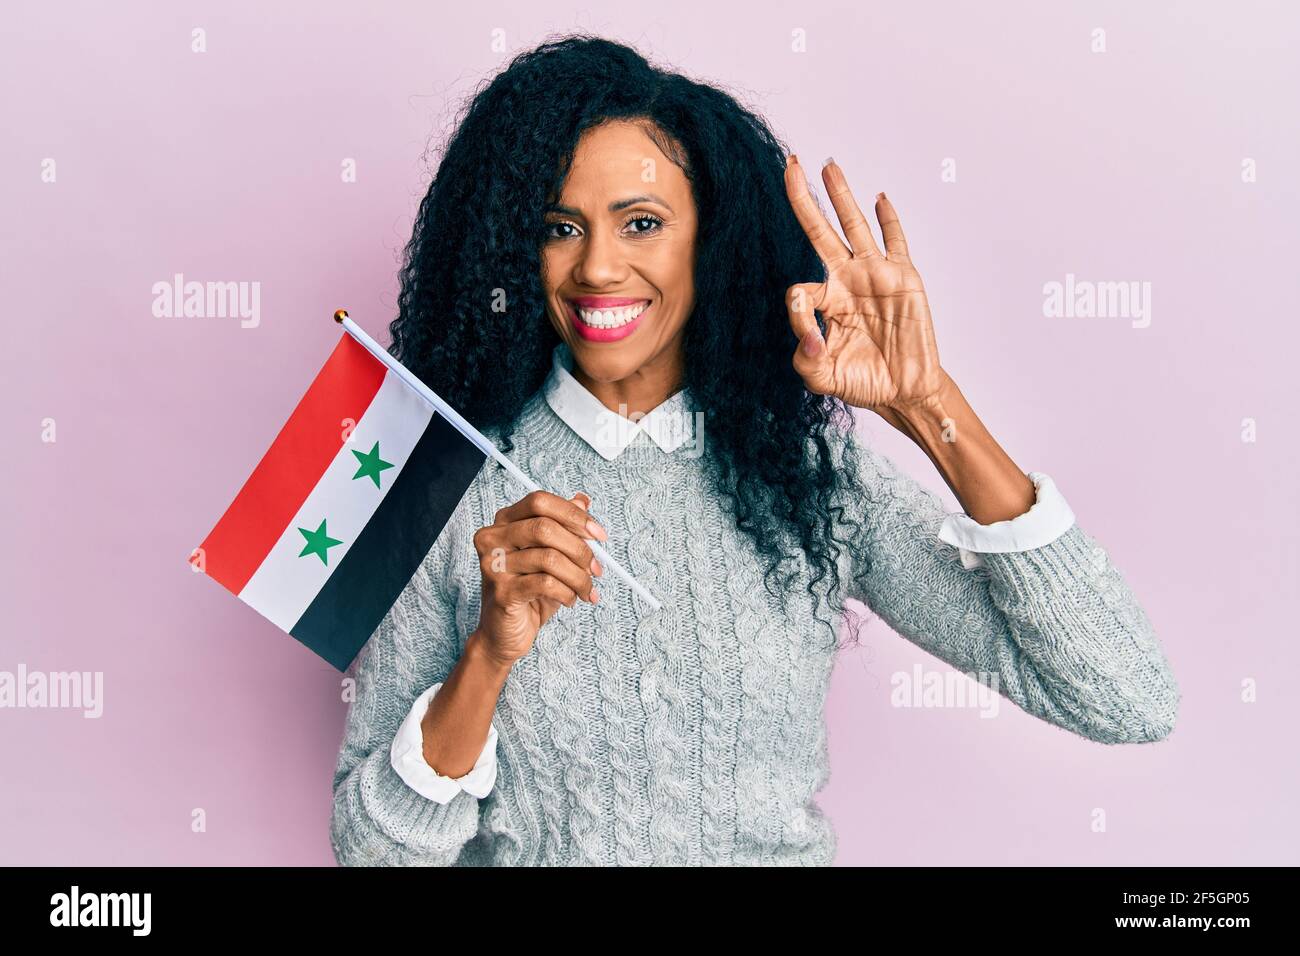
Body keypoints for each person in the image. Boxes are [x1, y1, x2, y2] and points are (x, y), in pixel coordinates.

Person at [329, 34, 1179, 867]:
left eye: (642, 223)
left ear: (714, 242)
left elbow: (1124, 697)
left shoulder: (805, 481)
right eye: (560, 227)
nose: (596, 267)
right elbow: (374, 856)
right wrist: (487, 654)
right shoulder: (446, 478)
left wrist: (929, 403)